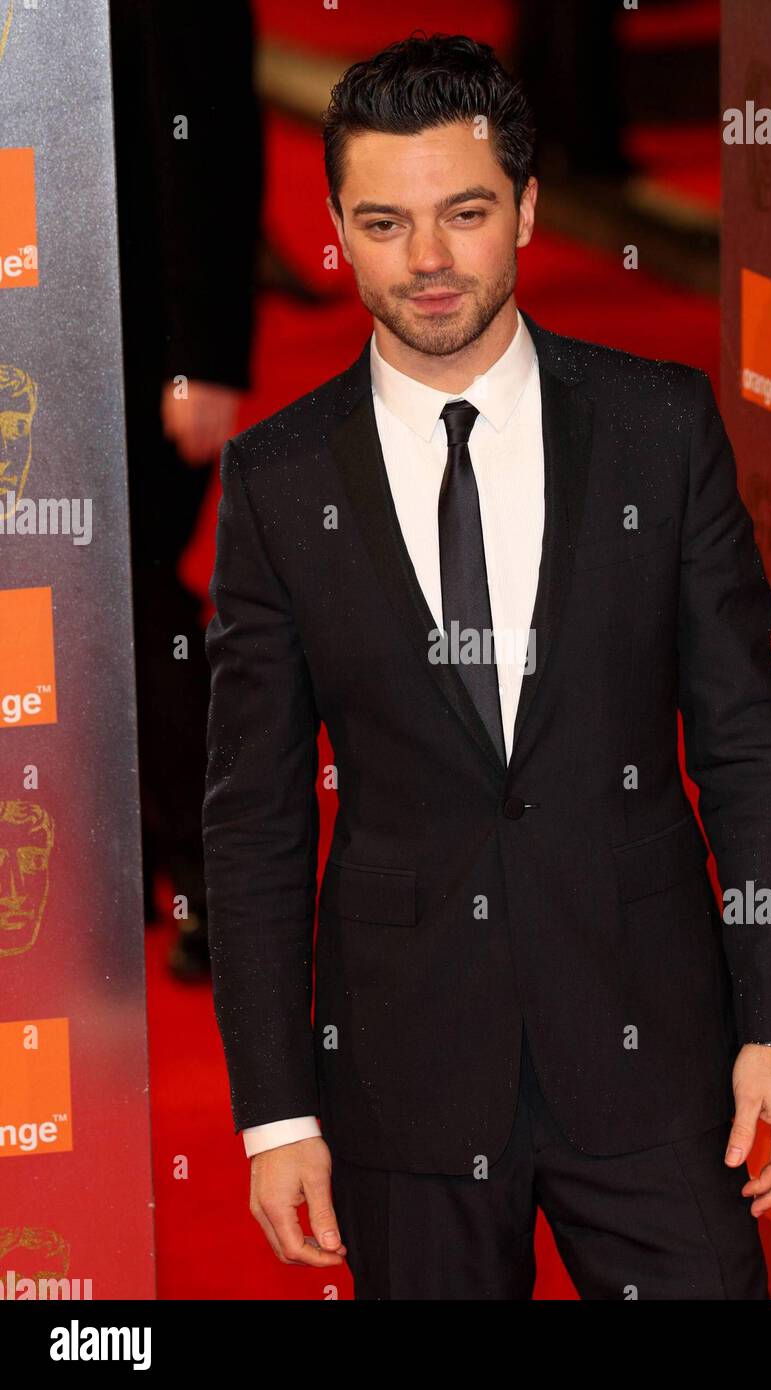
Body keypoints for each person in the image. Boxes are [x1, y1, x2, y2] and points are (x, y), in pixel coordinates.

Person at [202, 33, 771, 1300]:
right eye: (383, 222)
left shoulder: (660, 426)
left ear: (529, 208)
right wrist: (275, 1114)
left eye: (465, 212)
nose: (426, 261)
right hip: (400, 1070)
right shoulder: (278, 481)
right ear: (333, 224)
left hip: (652, 1050)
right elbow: (255, 819)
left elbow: (748, 738)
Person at [110, 0, 263, 979]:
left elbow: (211, 135)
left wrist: (203, 356)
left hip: (141, 336)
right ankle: (107, 861)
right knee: (63, 591)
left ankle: (218, 880)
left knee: (138, 590)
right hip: (35, 322)